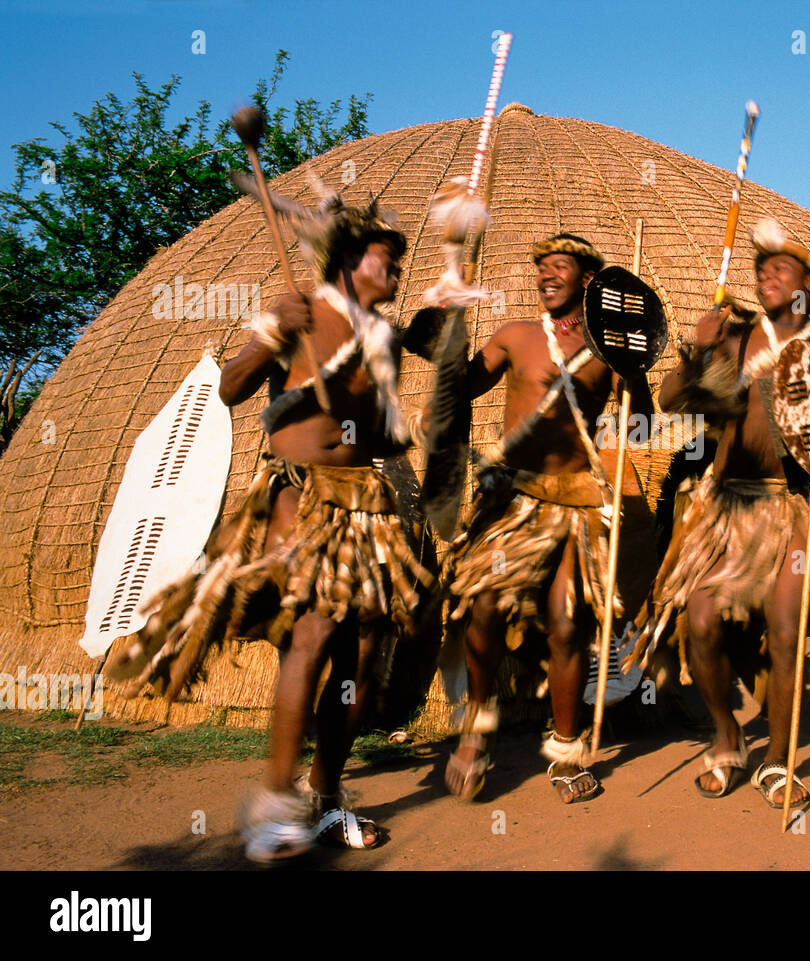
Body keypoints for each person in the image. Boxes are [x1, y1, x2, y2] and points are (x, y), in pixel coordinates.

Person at [107, 190, 434, 862]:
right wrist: (271, 338)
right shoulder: (301, 312)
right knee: (309, 636)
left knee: (365, 665)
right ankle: (274, 805)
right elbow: (228, 388)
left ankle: (324, 792)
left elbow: (377, 432)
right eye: (387, 262)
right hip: (301, 497)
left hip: (366, 506)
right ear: (349, 260)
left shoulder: (381, 338)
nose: (396, 276)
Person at [628, 219, 810, 808]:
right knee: (699, 624)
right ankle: (728, 737)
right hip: (724, 510)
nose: (767, 274)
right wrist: (700, 349)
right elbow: (670, 401)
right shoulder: (733, 338)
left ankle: (778, 762)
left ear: (808, 283)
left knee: (785, 635)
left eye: (782, 267)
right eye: (762, 268)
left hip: (789, 511)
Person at [440, 233, 652, 804]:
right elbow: (460, 386)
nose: (546, 275)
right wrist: (445, 338)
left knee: (567, 624)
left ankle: (566, 749)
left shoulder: (609, 346)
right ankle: (475, 732)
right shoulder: (514, 335)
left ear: (587, 279)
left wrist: (636, 368)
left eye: (559, 266)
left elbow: (647, 423)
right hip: (513, 496)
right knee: (483, 608)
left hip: (577, 498)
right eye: (541, 267)